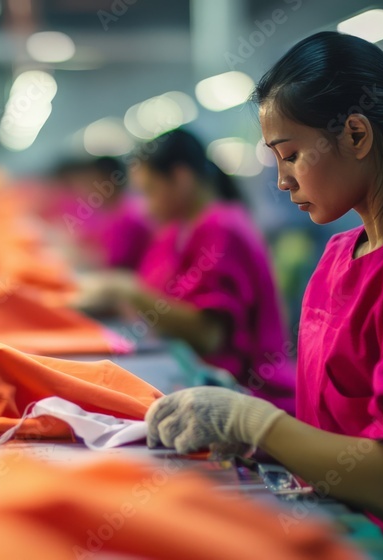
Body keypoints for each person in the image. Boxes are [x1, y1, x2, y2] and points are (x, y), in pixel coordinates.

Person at [145, 31, 383, 559]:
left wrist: (253, 420)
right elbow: (337, 435)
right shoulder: (338, 257)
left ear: (355, 135)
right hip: (345, 529)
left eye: (292, 155)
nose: (282, 181)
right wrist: (250, 421)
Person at [75, 128, 296, 413]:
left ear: (180, 178)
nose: (144, 206)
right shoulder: (177, 230)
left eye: (150, 191)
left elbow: (209, 337)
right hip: (203, 381)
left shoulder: (220, 227)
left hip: (250, 400)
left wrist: (127, 291)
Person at [61, 156, 154, 271]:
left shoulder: (128, 218)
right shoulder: (110, 212)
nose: (88, 188)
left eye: (93, 181)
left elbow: (114, 263)